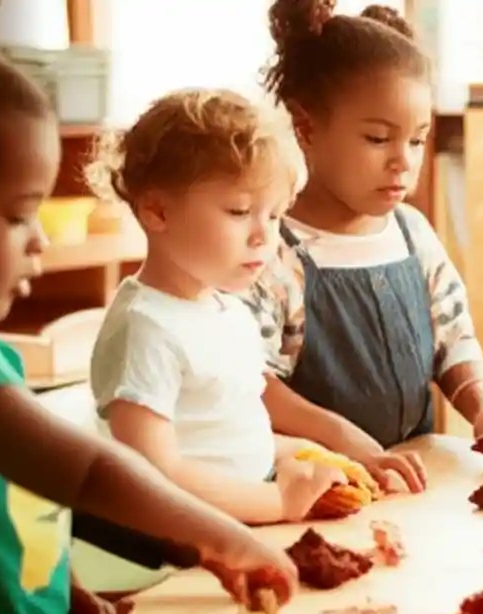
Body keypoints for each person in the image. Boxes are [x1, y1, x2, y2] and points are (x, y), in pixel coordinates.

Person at [0, 17, 295, 614]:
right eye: (18, 217)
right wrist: (226, 540)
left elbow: (5, 491)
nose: (39, 244)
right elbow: (86, 470)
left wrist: (66, 594)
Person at [249, 0, 483, 491]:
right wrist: (342, 439)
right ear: (306, 128)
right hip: (312, 485)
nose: (403, 162)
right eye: (377, 138)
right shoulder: (270, 251)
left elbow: (452, 339)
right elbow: (252, 383)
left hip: (408, 476)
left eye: (417, 140)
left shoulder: (413, 233)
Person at [87, 88, 350, 526]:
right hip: (178, 556)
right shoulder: (145, 328)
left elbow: (227, 438)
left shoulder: (228, 311)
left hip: (247, 527)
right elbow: (152, 475)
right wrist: (280, 504)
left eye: (274, 215)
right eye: (239, 211)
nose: (264, 237)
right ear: (157, 211)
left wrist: (301, 457)